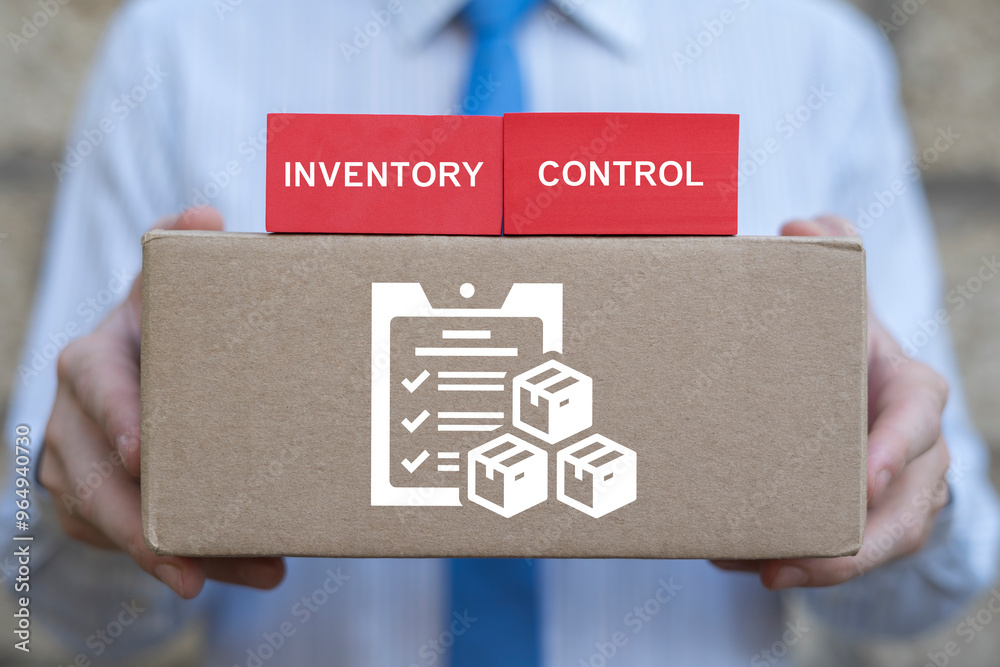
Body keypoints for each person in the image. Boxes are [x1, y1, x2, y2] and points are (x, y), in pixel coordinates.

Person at [5, 0, 999, 664]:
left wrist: (893, 493)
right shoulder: (178, 45)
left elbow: (920, 588)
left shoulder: (814, 54)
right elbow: (54, 597)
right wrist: (91, 509)